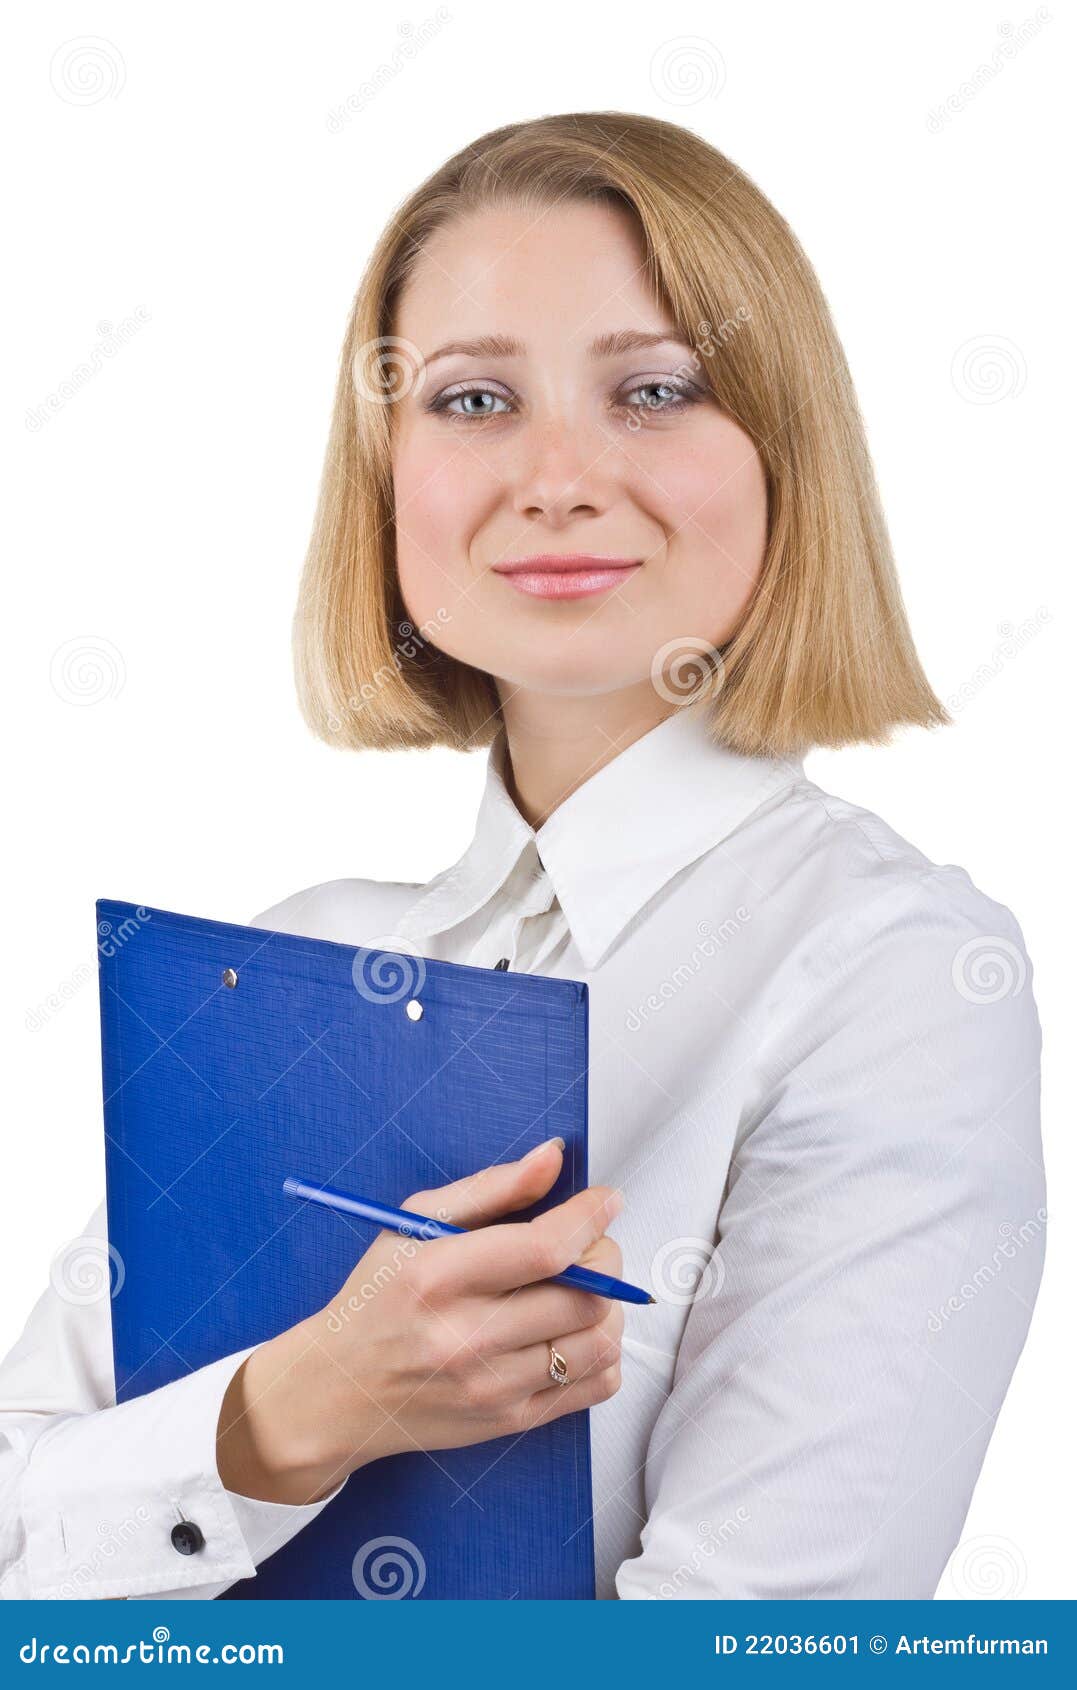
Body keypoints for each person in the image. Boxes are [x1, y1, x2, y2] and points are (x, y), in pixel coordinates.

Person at [0, 112, 1045, 1601]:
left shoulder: (885, 973)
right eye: (474, 397)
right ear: (385, 478)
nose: (555, 477)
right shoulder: (286, 957)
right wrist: (288, 1414)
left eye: (655, 389)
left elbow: (750, 1641)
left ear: (785, 455)